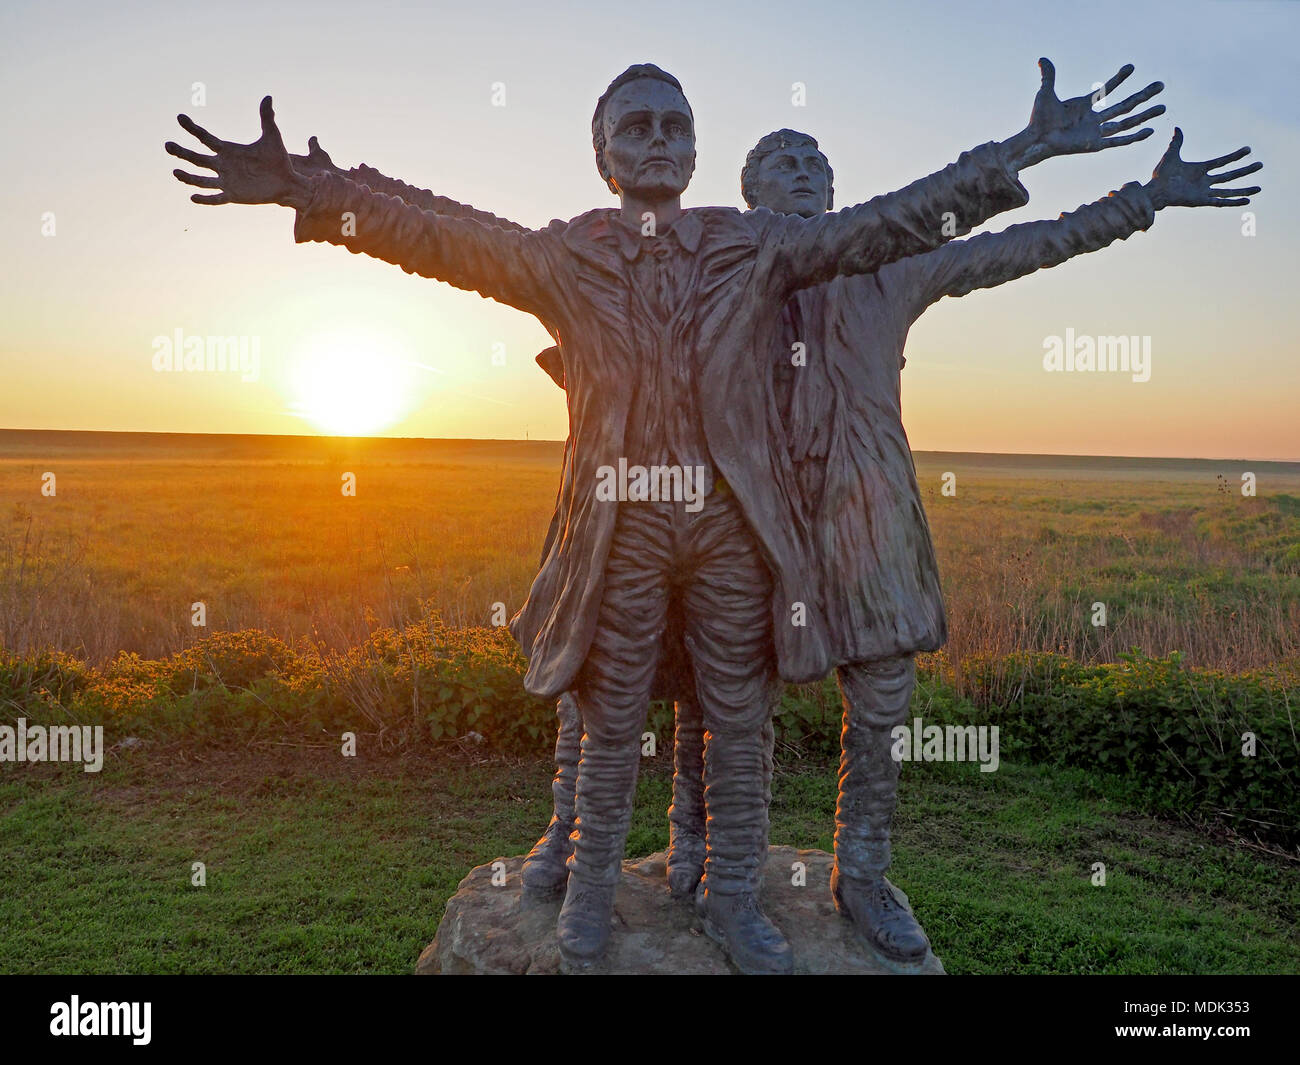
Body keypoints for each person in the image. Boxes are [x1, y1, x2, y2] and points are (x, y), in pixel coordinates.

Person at [168, 59, 1164, 973]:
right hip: (623, 523)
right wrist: (317, 193)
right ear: (601, 154)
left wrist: (1021, 152)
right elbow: (441, 235)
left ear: (695, 150)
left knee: (737, 719)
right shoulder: (563, 255)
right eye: (635, 127)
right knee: (608, 718)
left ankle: (733, 899)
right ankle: (590, 899)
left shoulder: (757, 244)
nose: (657, 140)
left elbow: (898, 221)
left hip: (730, 525)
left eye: (675, 126)